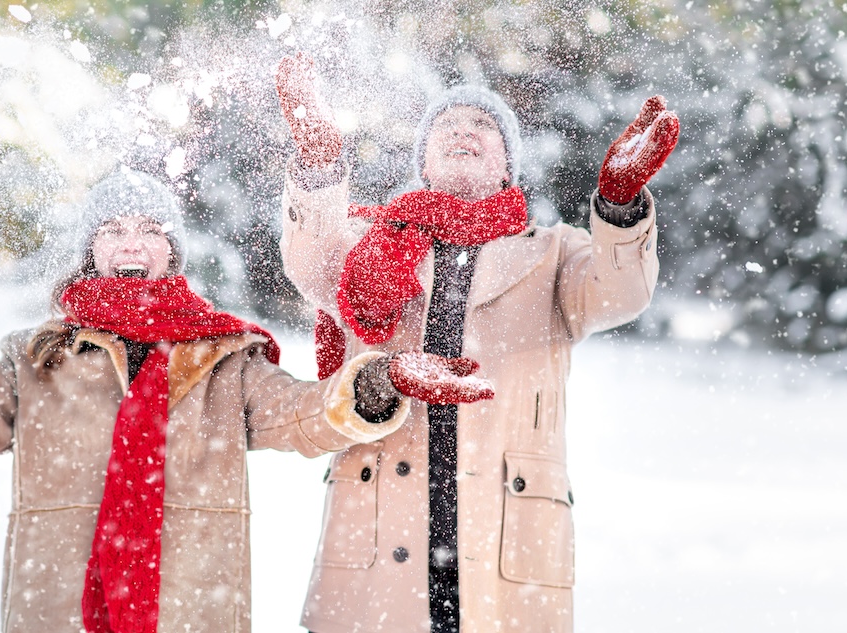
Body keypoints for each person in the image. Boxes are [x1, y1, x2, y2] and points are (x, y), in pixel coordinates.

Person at [0, 168, 495, 633]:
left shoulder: (225, 358)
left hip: (190, 605)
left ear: (172, 250)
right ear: (91, 249)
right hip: (62, 603)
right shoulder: (38, 356)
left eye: (149, 229)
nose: (131, 242)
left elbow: (303, 412)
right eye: (112, 229)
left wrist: (379, 380)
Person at [274, 54, 680, 632]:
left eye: (483, 125)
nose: (463, 130)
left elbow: (622, 291)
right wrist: (318, 165)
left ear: (508, 164)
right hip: (379, 536)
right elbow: (310, 259)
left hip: (506, 539)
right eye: (446, 125)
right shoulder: (365, 248)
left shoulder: (555, 254)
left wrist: (618, 208)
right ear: (424, 161)